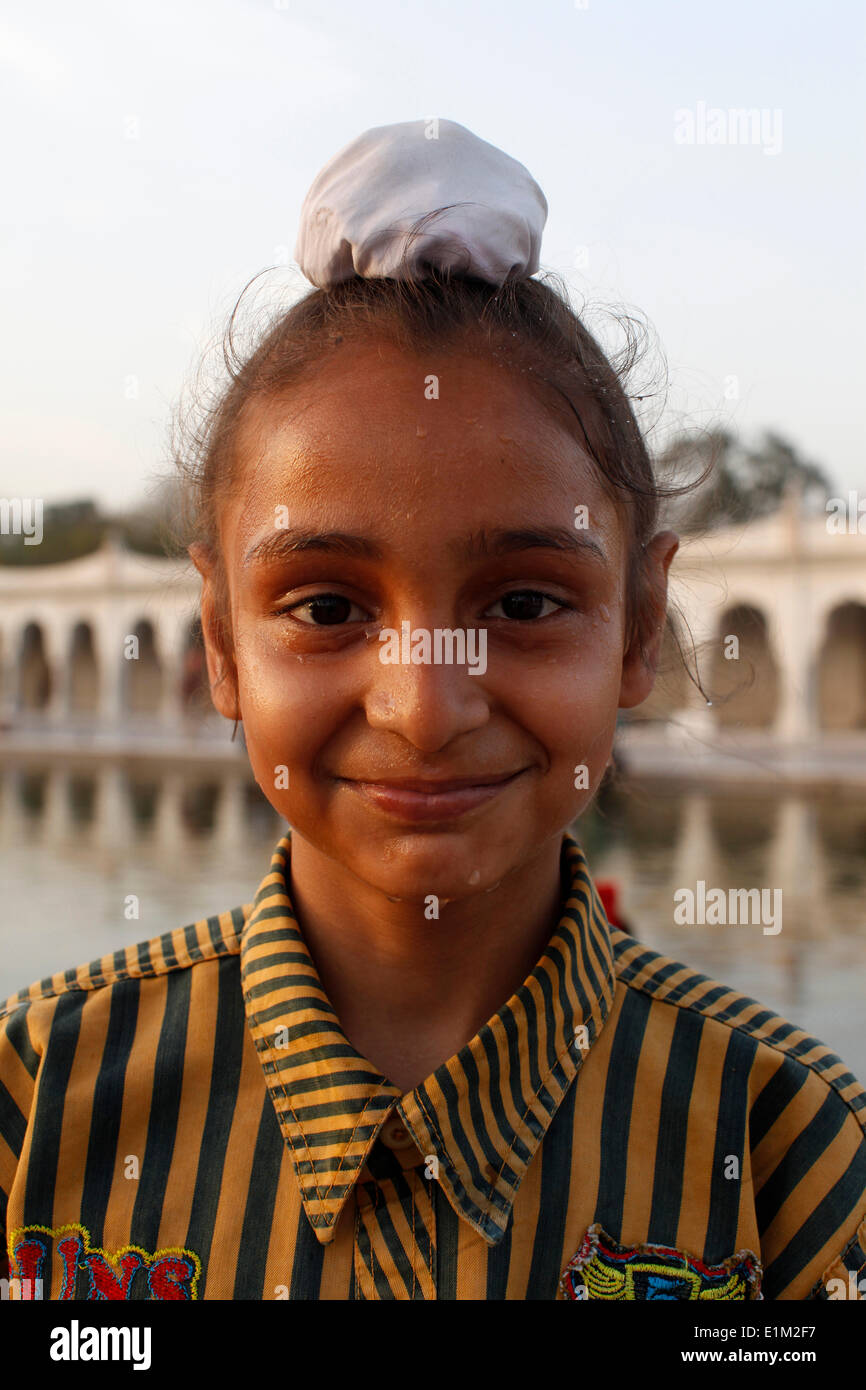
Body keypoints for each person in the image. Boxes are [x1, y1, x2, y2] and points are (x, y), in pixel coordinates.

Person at [1, 119, 863, 1302]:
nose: (421, 707)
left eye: (520, 600)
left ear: (638, 624)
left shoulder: (793, 1161)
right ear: (219, 641)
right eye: (323, 607)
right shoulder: (37, 1104)